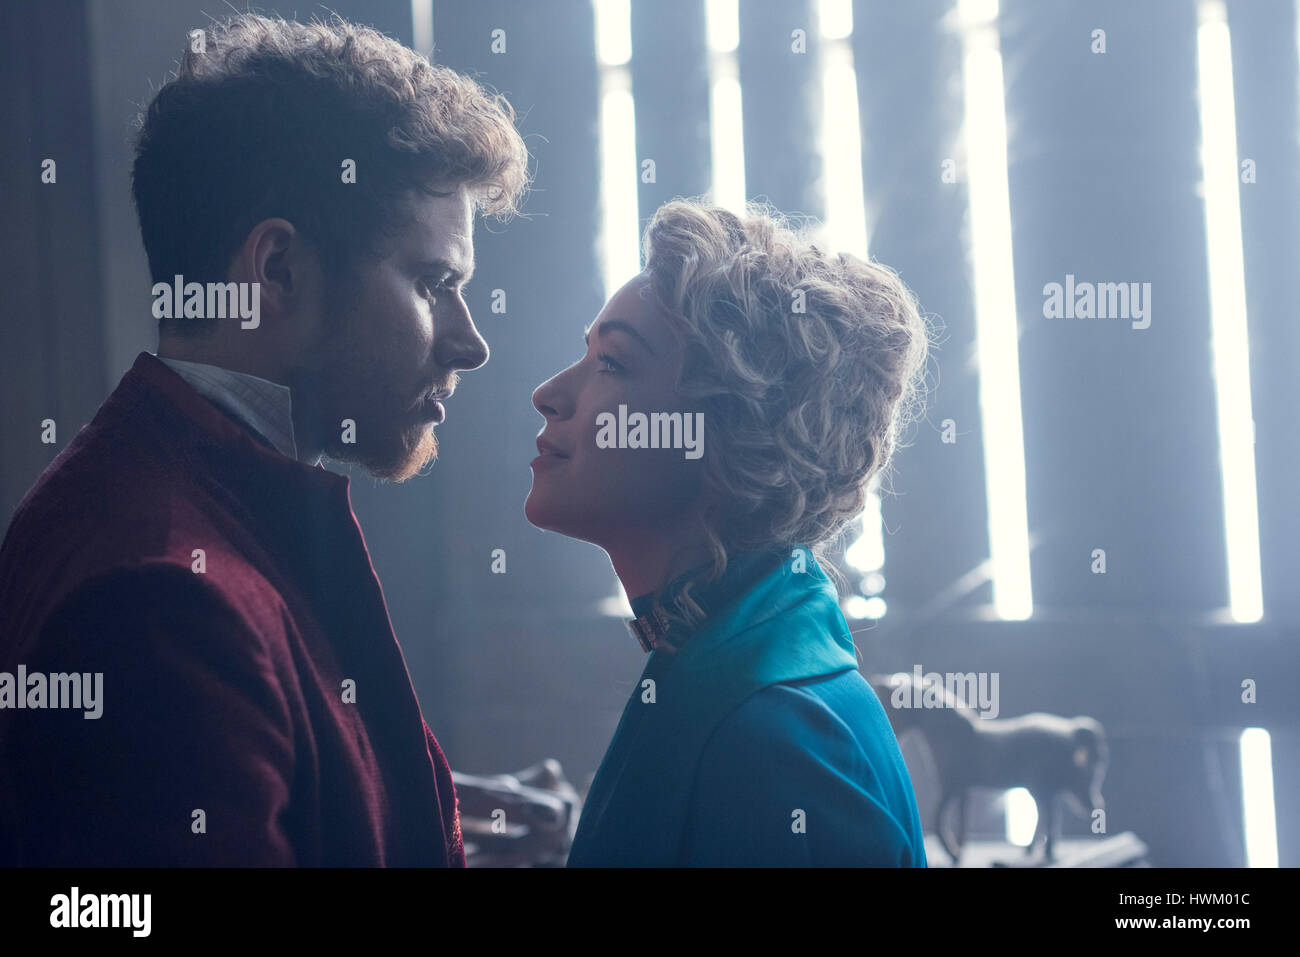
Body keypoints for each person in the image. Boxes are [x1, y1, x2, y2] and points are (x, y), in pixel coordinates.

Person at [0, 13, 528, 865]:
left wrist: (420, 811)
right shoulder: (166, 598)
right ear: (276, 271)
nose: (471, 341)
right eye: (435, 283)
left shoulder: (150, 488)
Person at [526, 199, 931, 866]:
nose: (549, 392)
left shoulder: (776, 738)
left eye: (614, 363)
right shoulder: (724, 658)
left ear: (726, 432)